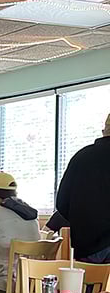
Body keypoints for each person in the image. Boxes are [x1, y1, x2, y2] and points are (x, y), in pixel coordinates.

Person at [56, 112, 110, 263]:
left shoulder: (81, 157)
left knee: (88, 284)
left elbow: (62, 203)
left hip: (88, 244)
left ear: (104, 131)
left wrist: (83, 222)